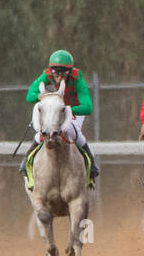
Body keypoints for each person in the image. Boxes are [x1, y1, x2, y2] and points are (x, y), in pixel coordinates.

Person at [22, 50, 99, 186]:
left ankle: (91, 163)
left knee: (71, 130)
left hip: (72, 110)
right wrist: (38, 96)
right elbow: (29, 96)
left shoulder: (77, 77)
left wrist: (67, 109)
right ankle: (27, 159)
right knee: (43, 130)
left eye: (64, 73)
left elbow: (88, 107)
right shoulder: (46, 75)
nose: (59, 77)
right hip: (52, 111)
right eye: (56, 72)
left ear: (70, 71)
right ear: (51, 71)